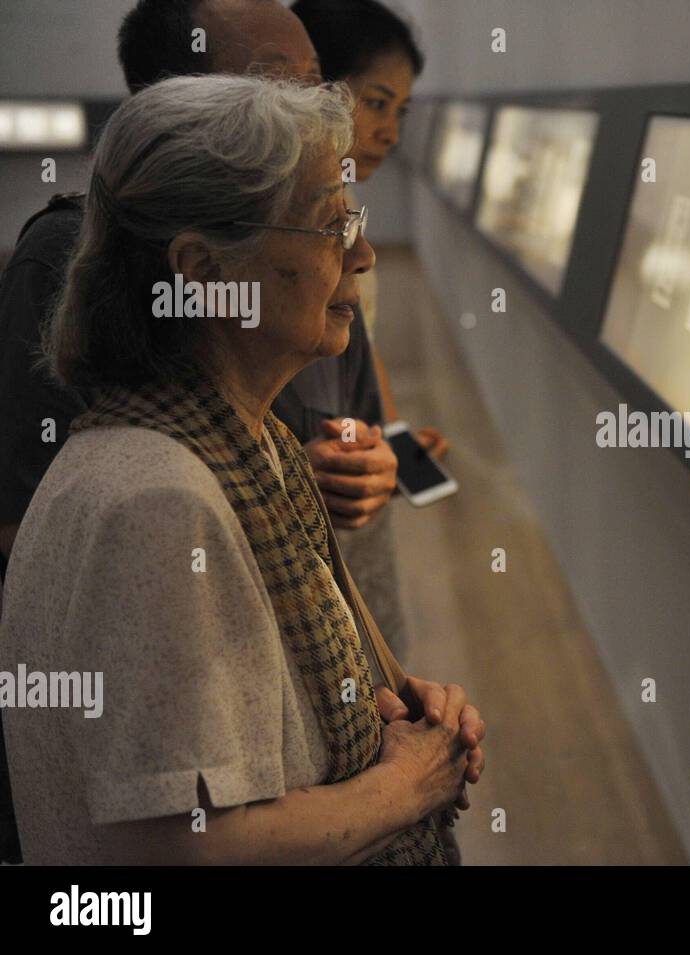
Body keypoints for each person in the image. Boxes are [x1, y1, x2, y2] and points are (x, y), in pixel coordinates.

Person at [0, 75, 485, 865]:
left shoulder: (250, 449)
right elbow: (176, 851)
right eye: (332, 227)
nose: (361, 254)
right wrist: (404, 786)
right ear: (200, 270)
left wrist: (405, 710)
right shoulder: (156, 501)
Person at [288, 0, 451, 666]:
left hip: (351, 483)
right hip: (309, 499)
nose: (388, 131)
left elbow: (362, 345)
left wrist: (399, 440)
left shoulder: (344, 208)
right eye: (376, 103)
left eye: (400, 113)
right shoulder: (287, 223)